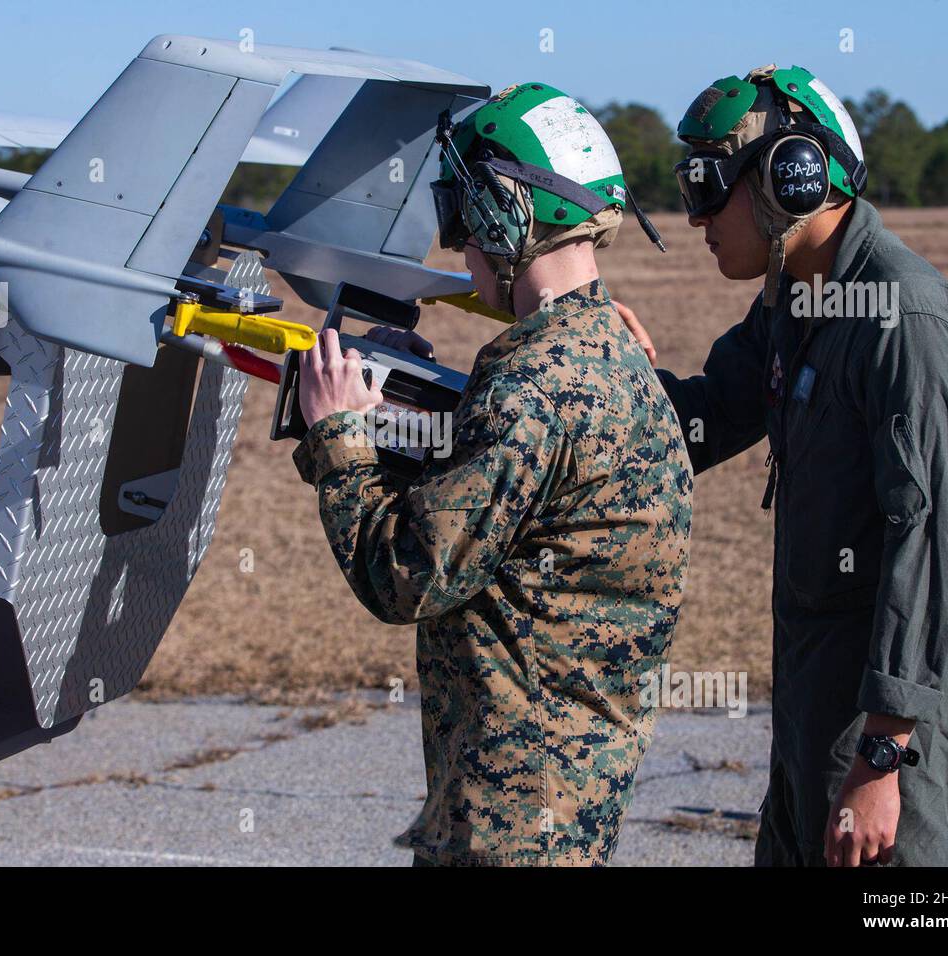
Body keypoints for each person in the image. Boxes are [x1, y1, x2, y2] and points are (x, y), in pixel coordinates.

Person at [292, 82, 692, 865]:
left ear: (506, 213)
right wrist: (405, 413)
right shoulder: (616, 358)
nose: (457, 246)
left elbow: (404, 575)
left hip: (510, 818)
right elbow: (509, 521)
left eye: (460, 213)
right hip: (565, 796)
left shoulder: (531, 387)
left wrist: (339, 436)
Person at [621, 64, 948, 866]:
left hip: (890, 732)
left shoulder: (906, 318)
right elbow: (706, 416)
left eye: (710, 186)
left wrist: (883, 757)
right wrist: (595, 366)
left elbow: (933, 544)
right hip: (817, 711)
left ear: (793, 175)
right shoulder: (799, 297)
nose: (696, 218)